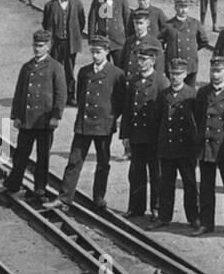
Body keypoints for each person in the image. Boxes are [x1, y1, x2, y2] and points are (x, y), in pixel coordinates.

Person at [0, 30, 67, 203]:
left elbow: (61, 94)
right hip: (27, 120)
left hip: (44, 121)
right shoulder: (27, 67)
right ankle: (13, 184)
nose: (37, 49)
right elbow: (19, 92)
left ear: (48, 47)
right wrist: (16, 116)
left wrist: (56, 116)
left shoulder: (55, 67)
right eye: (35, 45)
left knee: (42, 157)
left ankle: (40, 190)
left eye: (41, 46)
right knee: (20, 154)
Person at [55, 35, 125, 211]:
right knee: (74, 161)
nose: (95, 55)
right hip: (84, 125)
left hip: (104, 125)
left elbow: (121, 101)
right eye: (92, 51)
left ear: (107, 52)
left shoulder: (116, 74)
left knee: (103, 163)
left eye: (98, 52)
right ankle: (64, 198)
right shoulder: (84, 72)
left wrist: (109, 116)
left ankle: (98, 198)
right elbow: (80, 96)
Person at [119, 41, 167, 219]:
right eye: (139, 58)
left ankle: (156, 208)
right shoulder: (133, 82)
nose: (140, 62)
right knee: (136, 173)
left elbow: (164, 112)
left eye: (144, 59)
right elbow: (127, 109)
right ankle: (136, 207)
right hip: (137, 135)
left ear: (153, 61)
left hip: (153, 137)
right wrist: (125, 135)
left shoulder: (161, 81)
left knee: (156, 174)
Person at [195, 55, 224, 234]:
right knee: (206, 188)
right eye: (213, 71)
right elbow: (198, 118)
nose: (215, 75)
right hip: (206, 148)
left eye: (219, 71)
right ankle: (206, 223)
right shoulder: (203, 93)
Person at [152, 57, 200, 231]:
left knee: (190, 184)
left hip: (186, 149)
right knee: (166, 184)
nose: (175, 77)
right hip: (167, 148)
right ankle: (164, 217)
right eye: (172, 74)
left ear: (185, 74)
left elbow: (199, 121)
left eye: (179, 74)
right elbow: (156, 120)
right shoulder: (163, 95)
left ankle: (194, 218)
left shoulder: (192, 94)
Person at [42, 0, 86, 101]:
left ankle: (71, 95)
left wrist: (73, 35)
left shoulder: (77, 4)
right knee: (54, 69)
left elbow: (81, 22)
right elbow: (45, 24)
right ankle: (55, 96)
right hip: (56, 42)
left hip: (70, 43)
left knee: (69, 69)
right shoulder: (50, 5)